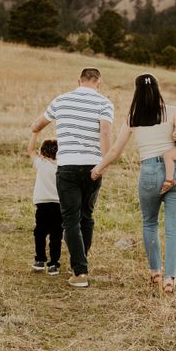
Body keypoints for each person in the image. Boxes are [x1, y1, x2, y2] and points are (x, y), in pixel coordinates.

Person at [90, 73, 176, 294]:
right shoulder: (173, 112)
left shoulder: (133, 117)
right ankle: (170, 279)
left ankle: (155, 272)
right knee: (174, 228)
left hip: (149, 173)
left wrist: (99, 167)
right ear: (157, 89)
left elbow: (116, 150)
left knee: (149, 223)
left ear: (137, 92)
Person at [29, 67, 114, 288]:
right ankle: (80, 262)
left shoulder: (61, 100)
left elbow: (37, 124)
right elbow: (105, 133)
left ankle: (80, 271)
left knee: (70, 219)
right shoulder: (104, 103)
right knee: (86, 215)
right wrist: (104, 163)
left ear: (79, 81)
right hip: (93, 166)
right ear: (99, 83)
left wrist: (35, 132)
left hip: (67, 166)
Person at [28, 139, 62, 275]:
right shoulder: (62, 166)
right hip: (59, 205)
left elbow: (30, 150)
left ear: (42, 152)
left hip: (42, 205)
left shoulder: (41, 163)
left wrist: (34, 133)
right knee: (56, 235)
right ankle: (54, 264)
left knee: (40, 233)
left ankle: (40, 260)